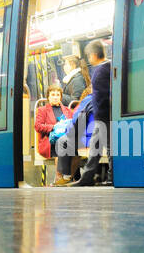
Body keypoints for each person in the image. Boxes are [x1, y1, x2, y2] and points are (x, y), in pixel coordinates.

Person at [71, 39, 111, 186]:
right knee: (97, 147)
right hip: (105, 115)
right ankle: (89, 178)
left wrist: (100, 114)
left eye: (88, 56)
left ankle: (107, 177)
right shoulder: (109, 66)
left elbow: (102, 95)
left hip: (104, 115)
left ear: (94, 55)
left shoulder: (101, 70)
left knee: (105, 148)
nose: (89, 59)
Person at [34, 85, 75, 185]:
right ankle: (59, 178)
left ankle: (69, 177)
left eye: (58, 95)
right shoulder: (42, 110)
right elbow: (38, 126)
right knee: (60, 145)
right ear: (48, 97)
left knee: (70, 145)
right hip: (50, 140)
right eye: (53, 95)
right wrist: (53, 127)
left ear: (61, 97)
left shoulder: (68, 111)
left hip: (67, 139)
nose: (55, 97)